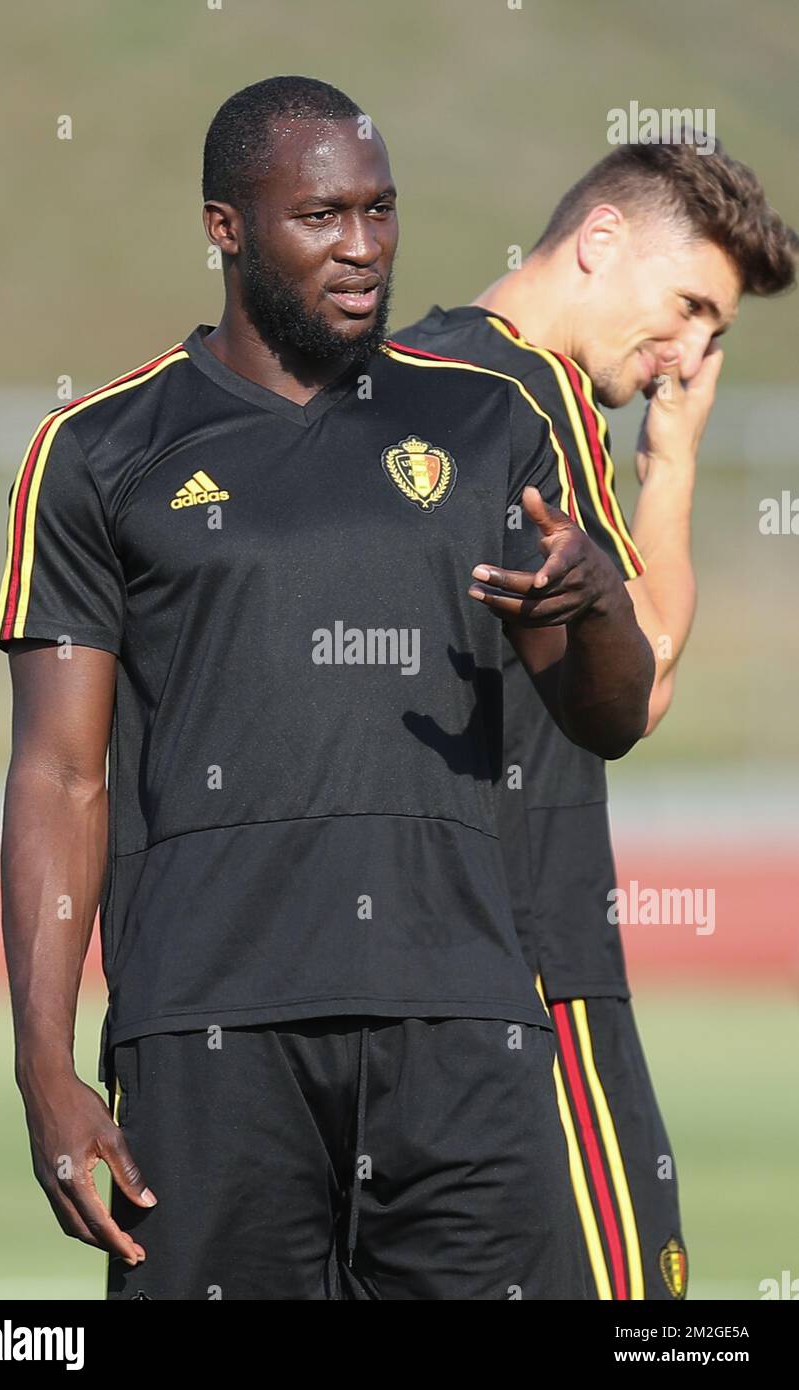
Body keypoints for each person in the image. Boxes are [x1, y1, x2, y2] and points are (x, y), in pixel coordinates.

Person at [0, 77, 652, 1301]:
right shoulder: (98, 450)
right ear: (225, 228)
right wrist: (43, 1062)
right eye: (322, 216)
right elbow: (59, 775)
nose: (362, 248)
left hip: (463, 1024)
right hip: (205, 1036)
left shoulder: (485, 420)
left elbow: (605, 715)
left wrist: (596, 601)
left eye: (381, 212)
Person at [394, 137, 798, 1299]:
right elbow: (643, 682)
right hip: (531, 971)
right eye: (687, 308)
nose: (686, 355)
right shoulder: (534, 395)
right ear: (599, 240)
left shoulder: (395, 376)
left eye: (713, 338)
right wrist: (667, 466)